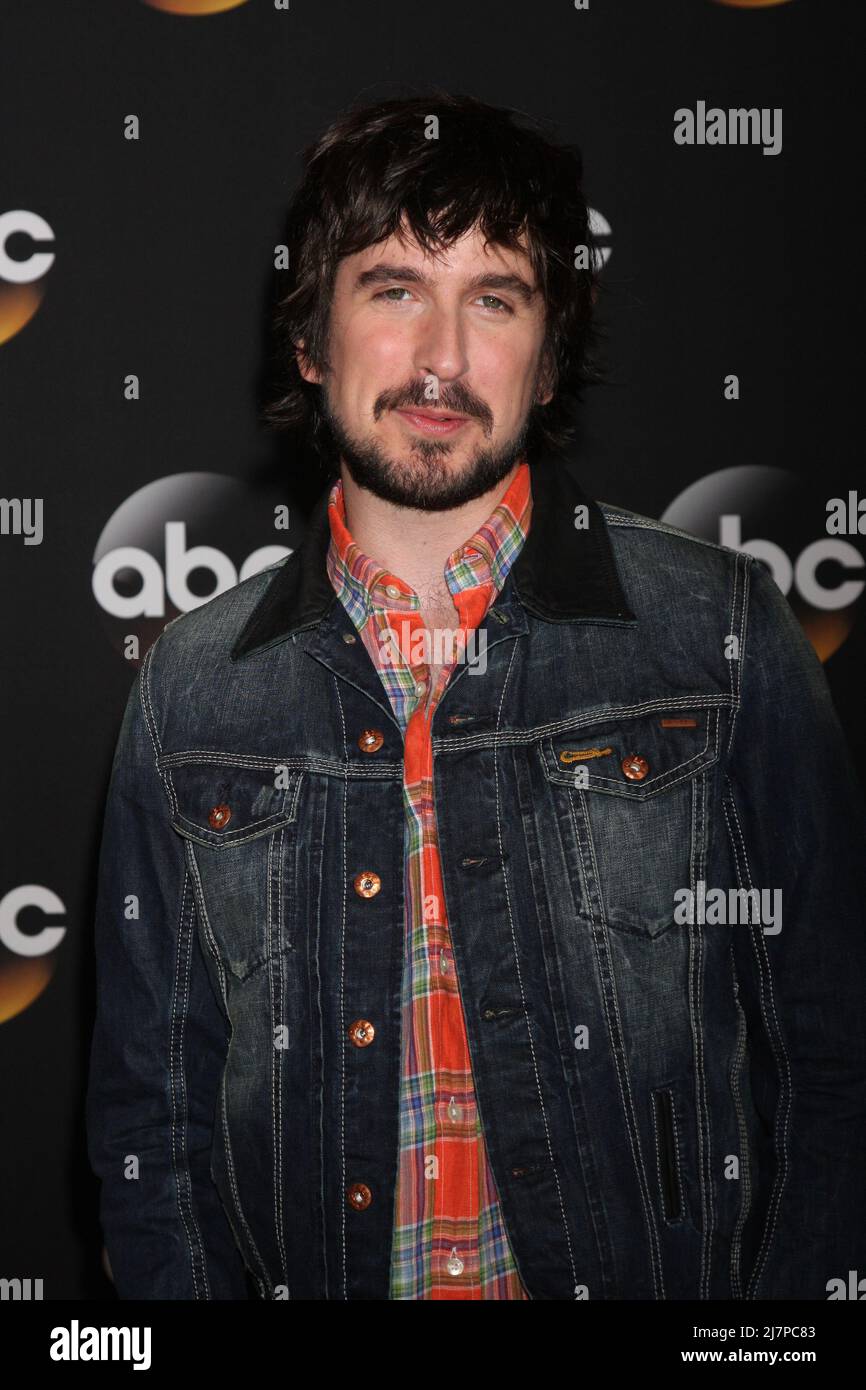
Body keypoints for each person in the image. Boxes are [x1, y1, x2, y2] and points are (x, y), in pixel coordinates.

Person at [86, 90, 866, 1300]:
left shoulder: (712, 632)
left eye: (493, 298)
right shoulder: (190, 687)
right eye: (393, 288)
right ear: (309, 338)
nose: (442, 357)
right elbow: (153, 1124)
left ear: (547, 359)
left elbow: (833, 1059)